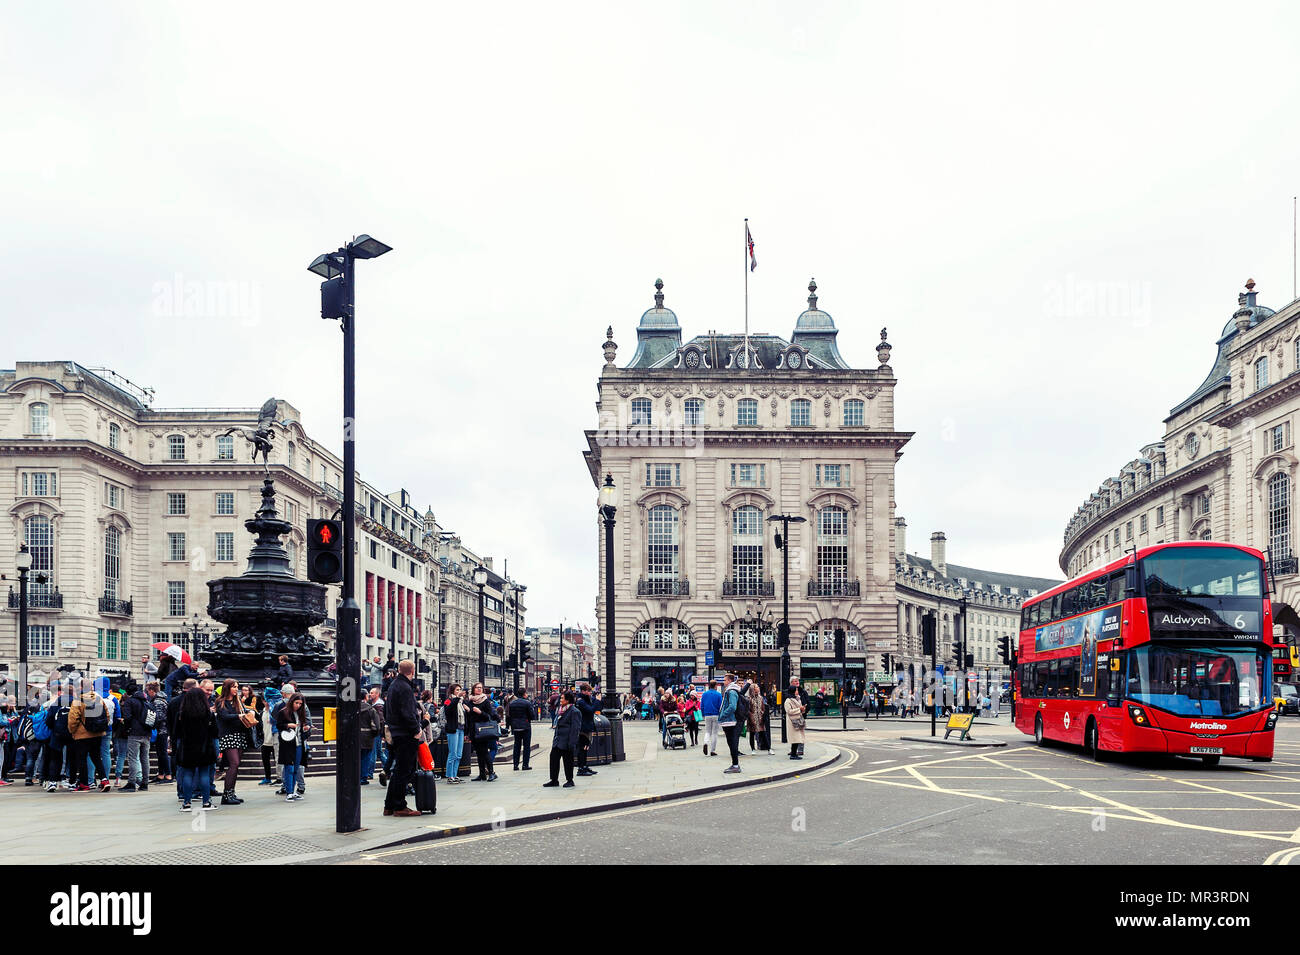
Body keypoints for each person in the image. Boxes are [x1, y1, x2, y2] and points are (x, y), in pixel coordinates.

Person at [381, 660, 423, 817]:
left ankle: (389, 806)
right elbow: (408, 713)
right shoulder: (404, 688)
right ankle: (400, 806)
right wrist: (416, 730)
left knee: (399, 770)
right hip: (406, 734)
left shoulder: (393, 686)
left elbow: (387, 711)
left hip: (396, 732)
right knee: (405, 771)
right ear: (412, 671)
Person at [173, 686, 219, 812]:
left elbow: (176, 733)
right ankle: (206, 802)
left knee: (188, 774)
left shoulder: (181, 715)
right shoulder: (208, 714)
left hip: (187, 747)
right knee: (204, 774)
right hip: (205, 747)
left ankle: (187, 803)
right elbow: (215, 732)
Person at [67, 678, 111, 792]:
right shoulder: (98, 698)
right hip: (97, 734)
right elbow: (107, 715)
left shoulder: (78, 700)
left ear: (81, 687)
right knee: (97, 758)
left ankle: (84, 784)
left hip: (82, 735)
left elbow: (73, 719)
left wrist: (73, 731)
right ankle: (104, 780)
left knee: (82, 759)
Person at [214, 679, 252, 805]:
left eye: (237, 687)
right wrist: (238, 716)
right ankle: (226, 795)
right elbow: (224, 716)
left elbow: (243, 713)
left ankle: (231, 792)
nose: (236, 689)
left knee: (236, 765)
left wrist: (249, 713)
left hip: (240, 734)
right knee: (234, 763)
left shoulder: (238, 701)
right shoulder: (221, 701)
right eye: (233, 687)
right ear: (227, 688)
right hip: (228, 735)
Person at [119, 681, 158, 792]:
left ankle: (131, 782)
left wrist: (127, 729)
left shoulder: (130, 702)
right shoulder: (147, 701)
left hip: (134, 733)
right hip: (146, 733)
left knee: (133, 758)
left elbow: (127, 718)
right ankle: (144, 783)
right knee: (145, 758)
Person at [275, 693, 309, 803]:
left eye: (300, 703)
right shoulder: (283, 712)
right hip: (288, 743)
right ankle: (289, 792)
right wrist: (289, 725)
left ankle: (292, 791)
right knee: (289, 768)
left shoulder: (301, 713)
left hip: (299, 743)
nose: (298, 705)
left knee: (296, 768)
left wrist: (306, 727)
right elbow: (278, 725)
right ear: (292, 702)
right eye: (296, 703)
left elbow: (303, 726)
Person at [543, 691, 580, 788]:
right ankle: (554, 780)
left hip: (567, 740)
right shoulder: (560, 710)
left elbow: (575, 729)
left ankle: (570, 780)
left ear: (568, 700)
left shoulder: (574, 711)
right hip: (558, 740)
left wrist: (572, 743)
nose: (560, 700)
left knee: (568, 761)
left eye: (562, 698)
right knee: (553, 759)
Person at [464, 682, 499, 782]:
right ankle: (482, 774)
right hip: (473, 730)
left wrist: (480, 712)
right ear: (473, 689)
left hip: (483, 729)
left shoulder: (485, 701)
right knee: (479, 753)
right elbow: (469, 718)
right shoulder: (469, 701)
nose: (479, 689)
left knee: (484, 751)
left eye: (480, 688)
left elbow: (489, 716)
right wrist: (467, 733)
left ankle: (491, 773)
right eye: (477, 688)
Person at [717, 675, 747, 774]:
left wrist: (722, 716)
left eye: (725, 680)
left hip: (731, 721)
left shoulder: (732, 691)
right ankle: (735, 765)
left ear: (730, 681)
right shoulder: (731, 691)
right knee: (732, 743)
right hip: (731, 721)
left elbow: (732, 707)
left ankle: (735, 765)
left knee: (733, 743)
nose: (723, 682)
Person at [442, 684, 466, 783]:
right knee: (453, 753)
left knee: (459, 754)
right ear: (452, 691)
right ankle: (449, 775)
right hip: (453, 729)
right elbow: (448, 711)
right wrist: (457, 698)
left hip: (461, 729)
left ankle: (455, 774)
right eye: (457, 690)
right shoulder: (449, 701)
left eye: (460, 689)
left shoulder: (460, 702)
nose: (459, 691)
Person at [574, 683, 598, 777]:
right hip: (583, 727)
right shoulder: (581, 701)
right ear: (583, 691)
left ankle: (584, 766)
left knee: (586, 747)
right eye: (588, 691)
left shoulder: (585, 699)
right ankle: (581, 768)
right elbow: (591, 710)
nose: (590, 693)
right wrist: (597, 701)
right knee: (582, 748)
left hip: (587, 726)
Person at [507, 687, 533, 771]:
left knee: (517, 746)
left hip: (516, 727)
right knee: (526, 746)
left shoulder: (512, 703)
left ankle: (515, 765)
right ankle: (525, 765)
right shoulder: (527, 703)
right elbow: (532, 715)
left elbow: (510, 715)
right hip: (525, 726)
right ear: (524, 694)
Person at [359, 688, 381, 784]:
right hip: (368, 737)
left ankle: (356, 776)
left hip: (356, 737)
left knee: (357, 758)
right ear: (365, 697)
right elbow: (377, 725)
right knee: (366, 758)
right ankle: (363, 777)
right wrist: (374, 735)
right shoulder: (371, 710)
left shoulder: (353, 709)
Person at [784, 680, 808, 759]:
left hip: (798, 720)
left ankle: (794, 753)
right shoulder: (788, 701)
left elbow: (800, 709)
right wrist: (799, 709)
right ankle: (793, 755)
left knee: (798, 738)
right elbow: (789, 711)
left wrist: (803, 708)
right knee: (795, 738)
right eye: (796, 690)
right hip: (792, 721)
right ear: (793, 691)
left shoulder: (798, 699)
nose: (797, 691)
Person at [700, 680, 722, 756]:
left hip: (707, 714)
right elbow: (720, 706)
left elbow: (701, 705)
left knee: (708, 731)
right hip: (716, 714)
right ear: (715, 686)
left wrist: (703, 713)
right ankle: (712, 750)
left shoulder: (704, 694)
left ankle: (706, 742)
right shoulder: (718, 695)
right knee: (715, 733)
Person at [747, 682, 769, 753]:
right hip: (752, 719)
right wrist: (751, 717)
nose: (758, 688)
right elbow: (748, 710)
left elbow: (763, 707)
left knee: (763, 733)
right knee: (752, 734)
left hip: (760, 718)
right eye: (756, 687)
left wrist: (762, 713)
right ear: (753, 689)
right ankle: (753, 749)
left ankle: (769, 748)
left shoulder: (761, 698)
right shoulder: (749, 699)